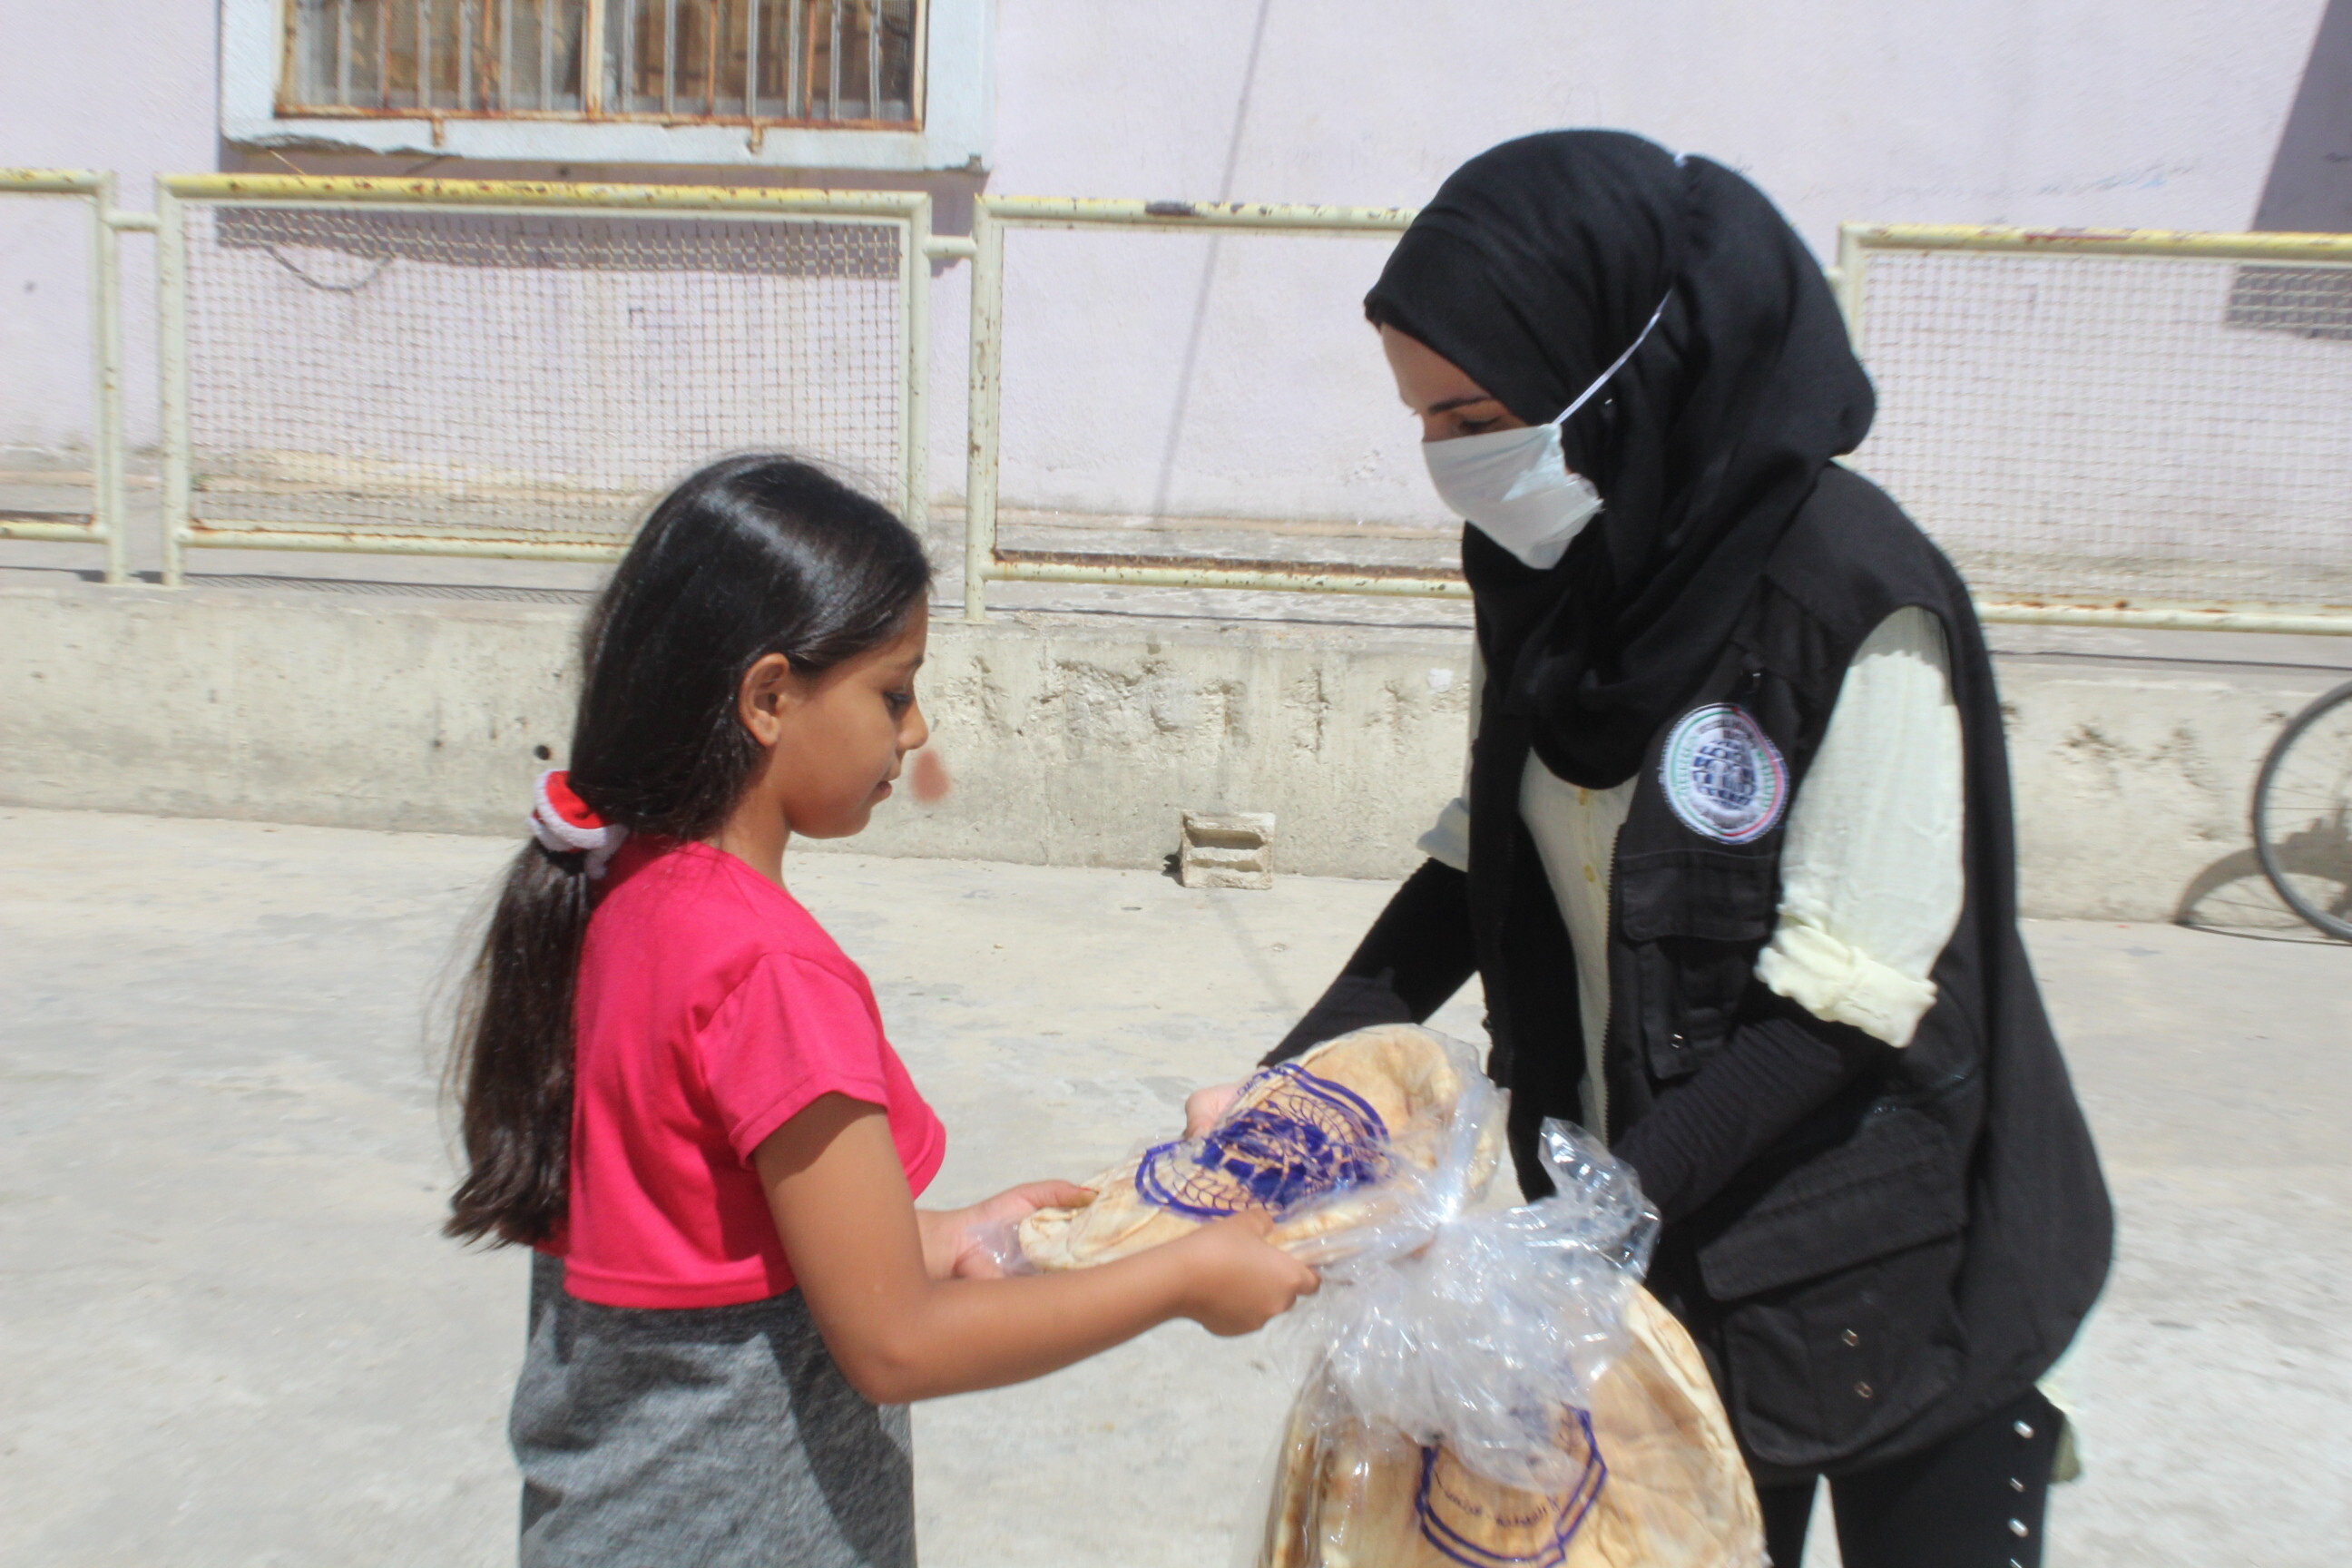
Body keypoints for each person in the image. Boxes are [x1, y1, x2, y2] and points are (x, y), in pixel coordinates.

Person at [1186, 132, 2111, 1568]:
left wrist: (1587, 1219)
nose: (1448, 463)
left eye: (1475, 415)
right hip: (1642, 1244)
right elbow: (1477, 868)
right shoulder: (1547, 571)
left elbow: (1840, 1004)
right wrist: (1282, 1097)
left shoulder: (1853, 600)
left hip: (1875, 1261)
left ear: (1625, 375)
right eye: (1423, 420)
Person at [445, 455, 1318, 1568]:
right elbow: (897, 1346)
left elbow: (710, 1225)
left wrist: (948, 1236)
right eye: (894, 693)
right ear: (769, 699)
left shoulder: (628, 891)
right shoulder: (768, 973)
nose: (915, 734)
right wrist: (1183, 1281)